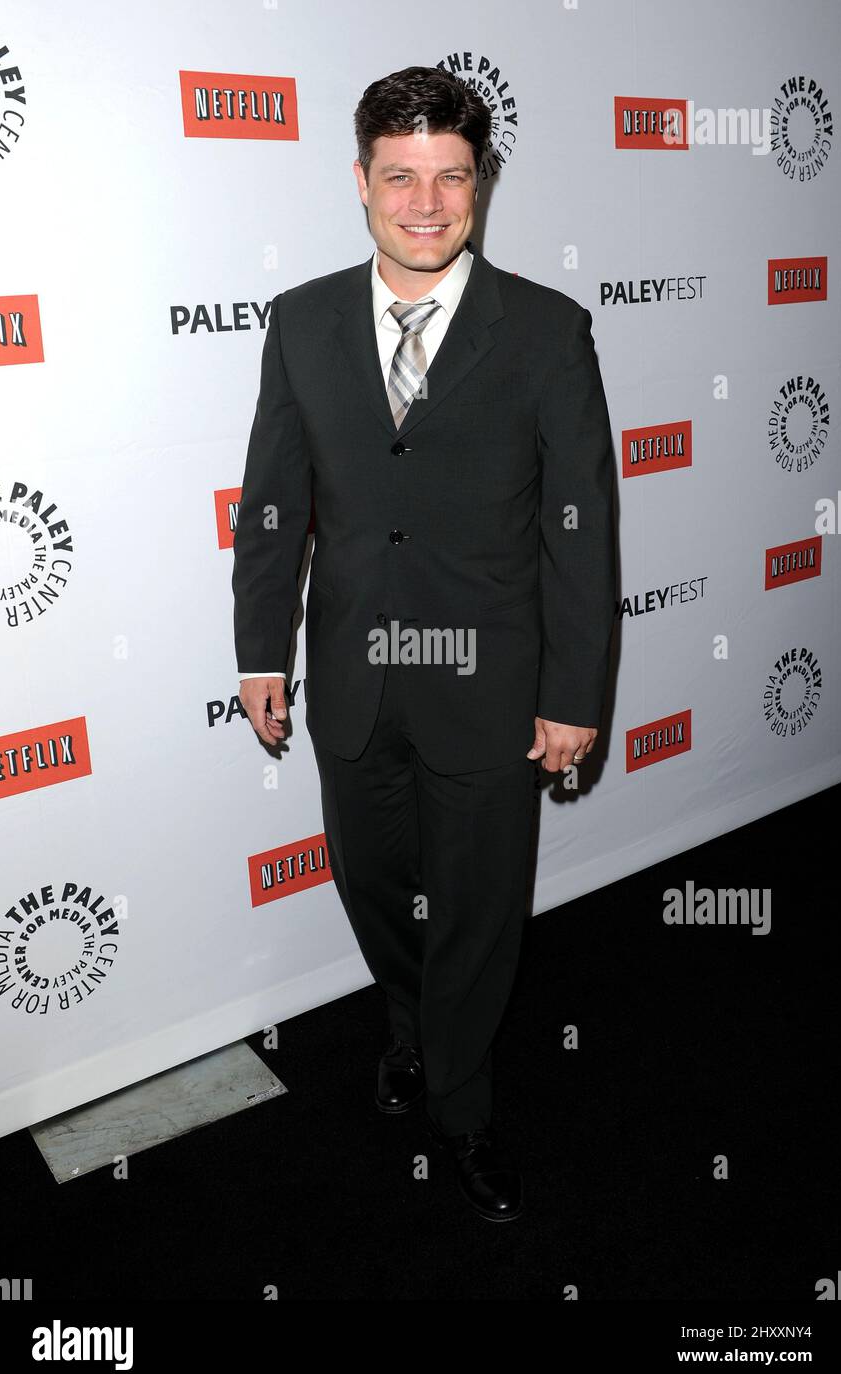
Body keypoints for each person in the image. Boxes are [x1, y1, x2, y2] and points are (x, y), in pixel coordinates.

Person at [232, 65, 616, 1222]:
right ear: (361, 181)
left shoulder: (547, 333)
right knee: (377, 890)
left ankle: (461, 1098)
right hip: (352, 677)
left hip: (489, 685)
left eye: (450, 176)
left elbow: (582, 528)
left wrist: (574, 692)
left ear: (478, 183)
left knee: (480, 906)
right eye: (400, 176)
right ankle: (410, 1025)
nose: (425, 202)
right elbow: (272, 500)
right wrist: (261, 653)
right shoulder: (299, 321)